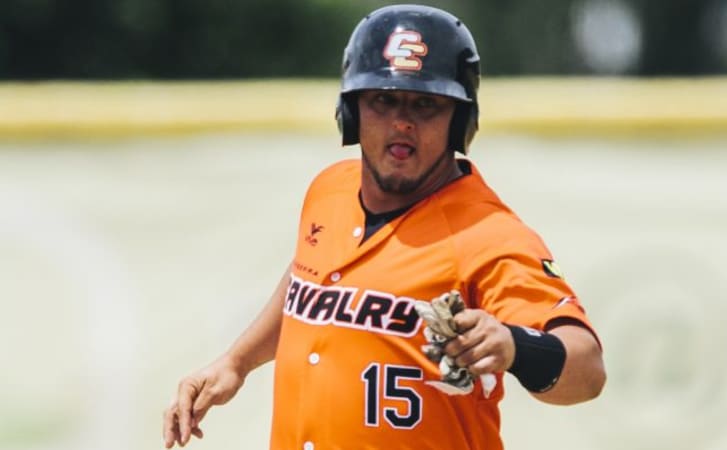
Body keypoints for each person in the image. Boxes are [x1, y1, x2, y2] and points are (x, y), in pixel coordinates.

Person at [162, 4, 605, 449]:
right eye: (384, 99)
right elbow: (309, 280)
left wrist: (513, 344)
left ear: (459, 121)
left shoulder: (488, 233)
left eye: (426, 103)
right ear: (352, 110)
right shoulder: (330, 191)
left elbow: (587, 370)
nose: (402, 122)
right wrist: (236, 362)